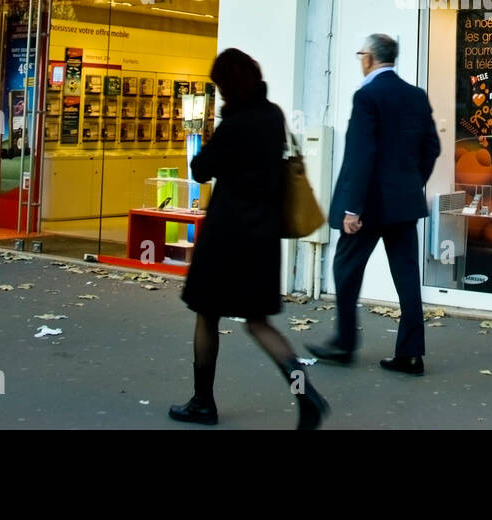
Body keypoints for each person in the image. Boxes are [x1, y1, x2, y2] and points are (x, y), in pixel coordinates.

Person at [170, 48, 329, 429]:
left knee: (206, 314)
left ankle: (203, 402)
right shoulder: (272, 115)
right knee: (258, 322)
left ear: (228, 87)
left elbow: (200, 169)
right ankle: (305, 393)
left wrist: (220, 130)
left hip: (225, 236)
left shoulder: (235, 124)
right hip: (263, 237)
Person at [308, 34, 440, 375]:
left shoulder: (367, 96)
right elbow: (432, 148)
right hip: (403, 206)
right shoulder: (415, 96)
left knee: (346, 270)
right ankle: (410, 354)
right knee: (407, 277)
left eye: (360, 55)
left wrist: (353, 208)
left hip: (367, 207)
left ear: (367, 58)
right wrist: (411, 183)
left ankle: (344, 342)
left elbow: (361, 154)